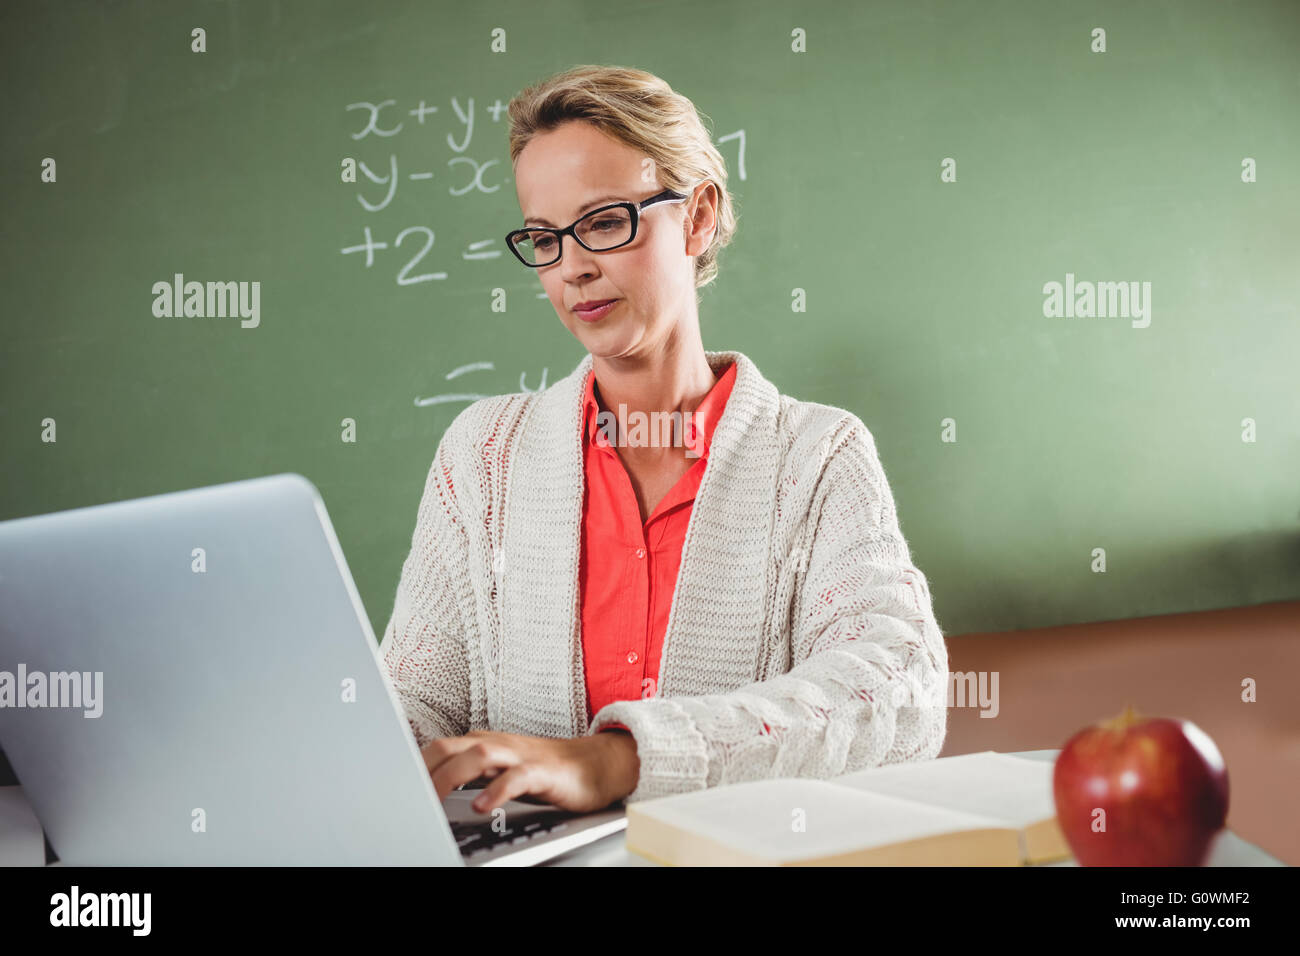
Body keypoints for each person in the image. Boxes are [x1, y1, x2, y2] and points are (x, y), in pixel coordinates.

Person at [379, 64, 948, 816]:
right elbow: (413, 699)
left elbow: (898, 690)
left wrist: (620, 759)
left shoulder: (818, 457)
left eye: (606, 222)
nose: (573, 268)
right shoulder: (482, 455)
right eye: (544, 239)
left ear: (699, 216)